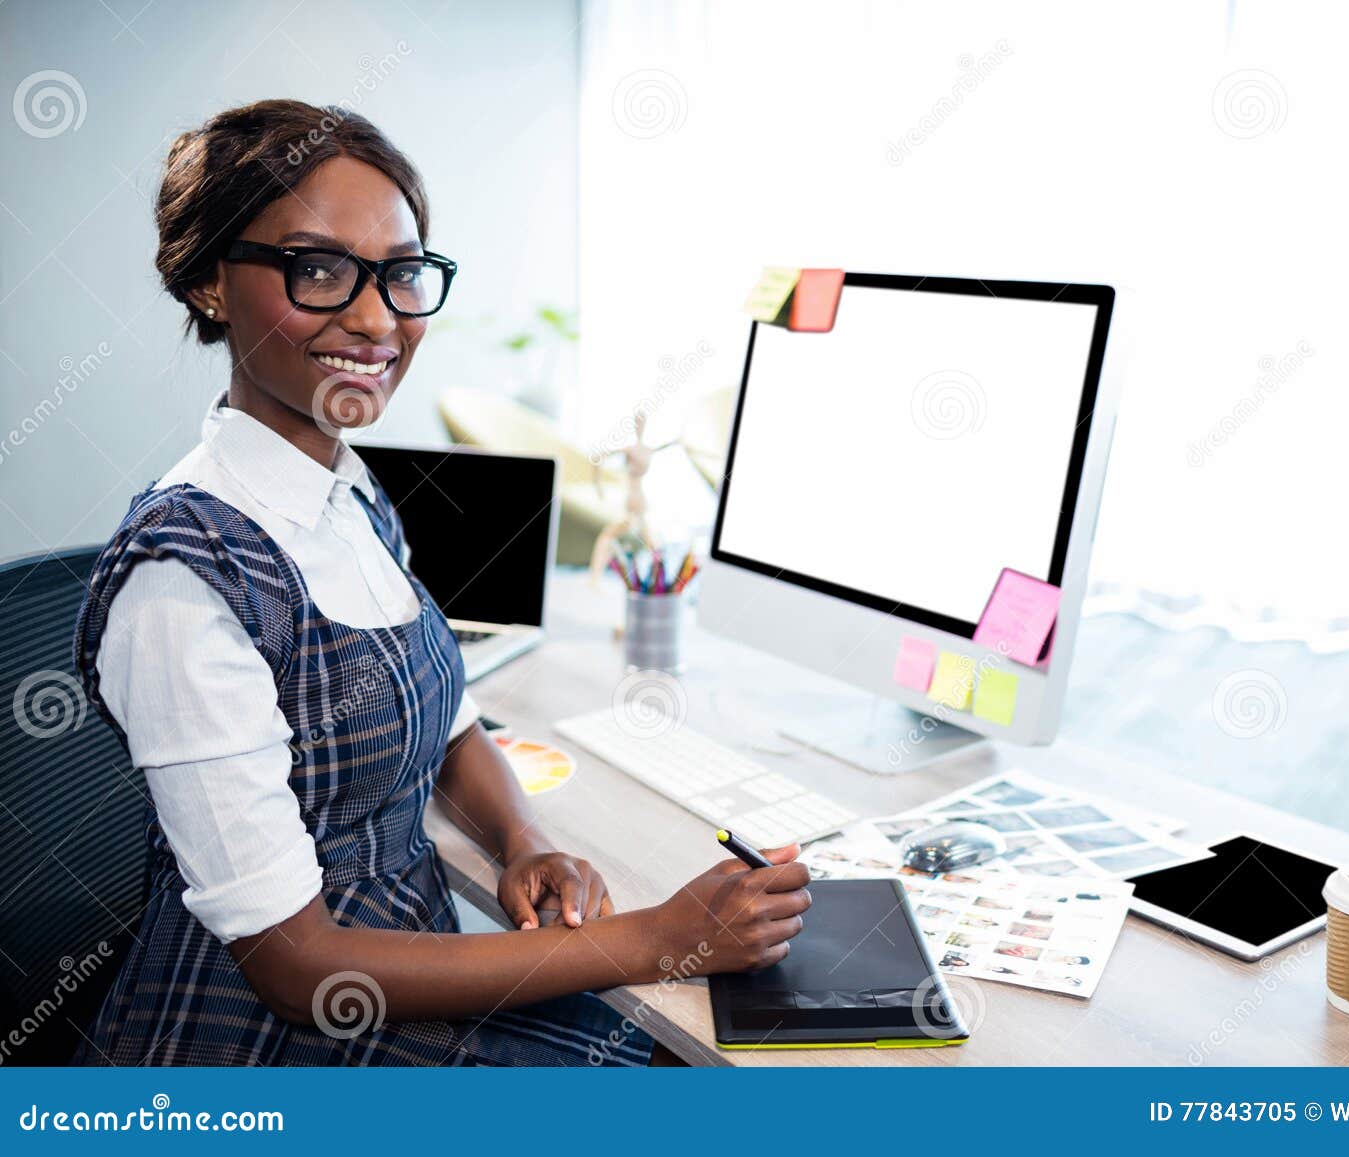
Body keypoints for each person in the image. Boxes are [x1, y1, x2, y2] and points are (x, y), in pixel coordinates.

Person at [73, 100, 810, 1067]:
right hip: (268, 1039)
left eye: (401, 274)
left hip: (414, 968)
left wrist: (523, 839)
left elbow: (451, 718)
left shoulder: (346, 489)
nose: (379, 319)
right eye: (319, 267)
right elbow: (294, 965)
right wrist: (656, 939)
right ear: (213, 280)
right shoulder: (184, 580)